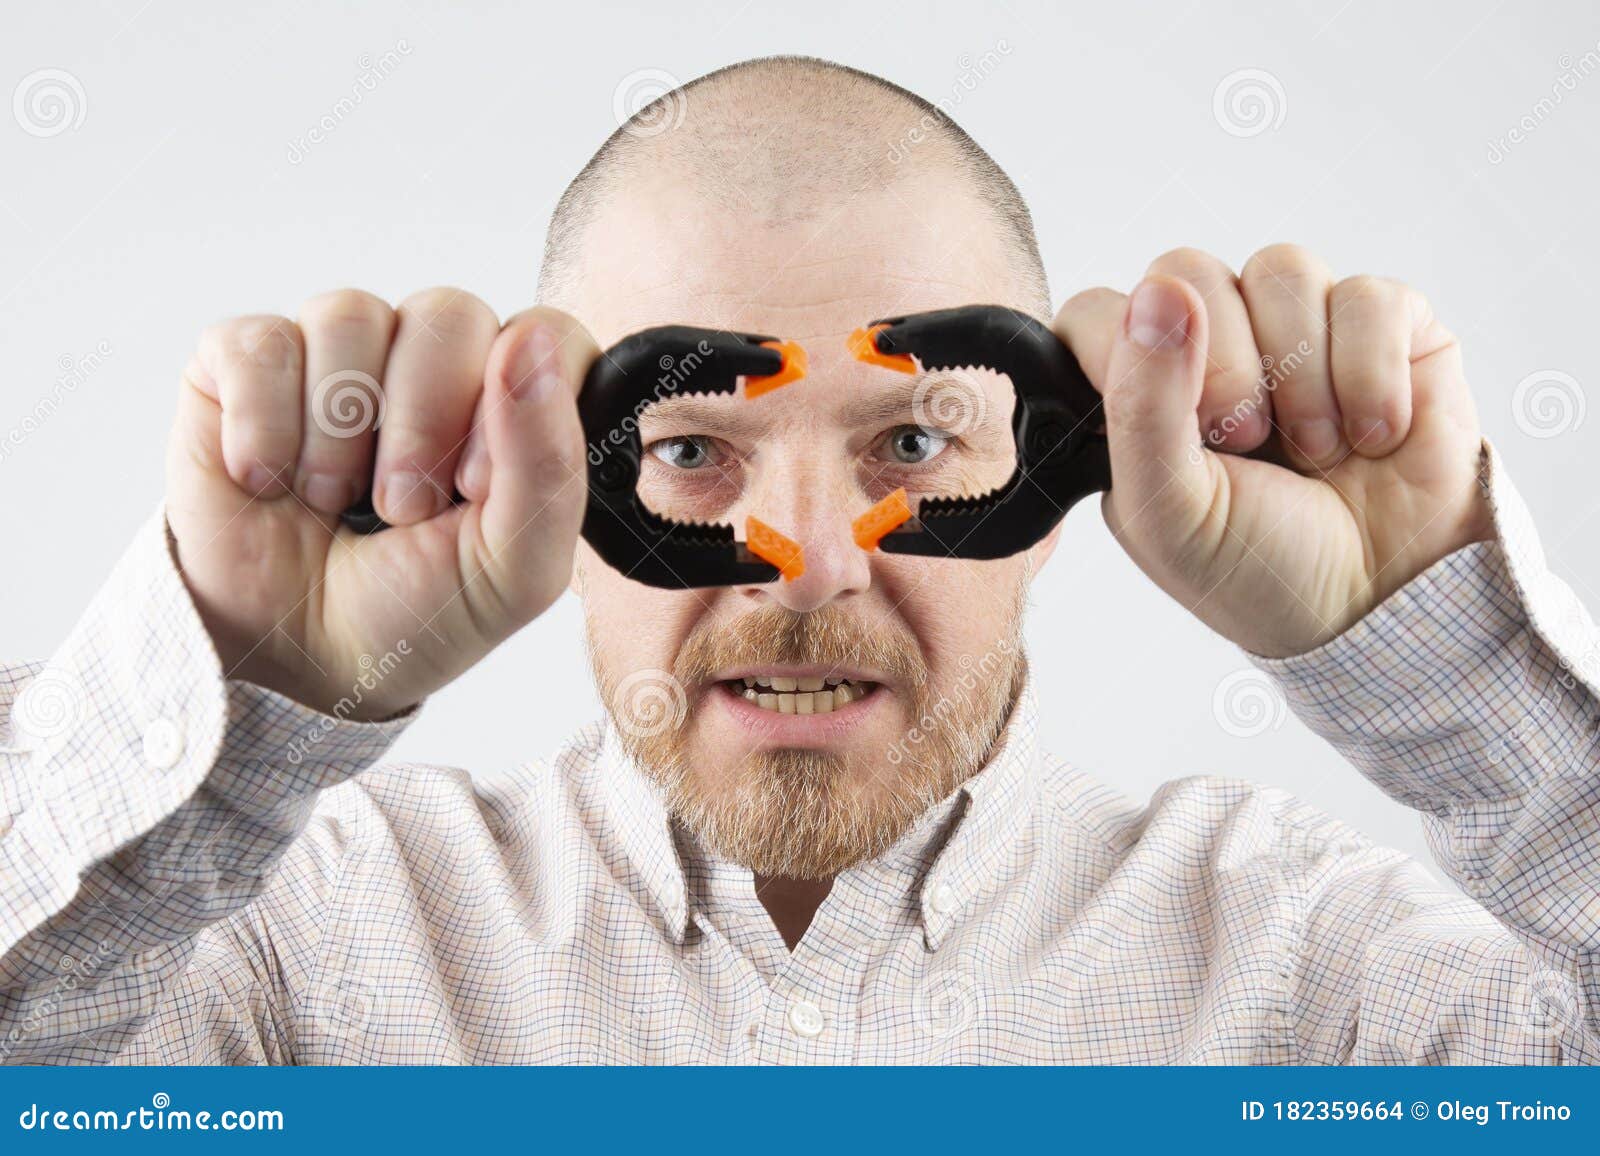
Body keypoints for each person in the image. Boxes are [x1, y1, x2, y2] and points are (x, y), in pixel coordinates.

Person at [2, 56, 1595, 1065]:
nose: (812, 568)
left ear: (1064, 471)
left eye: (911, 443)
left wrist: (1448, 667)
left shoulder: (1324, 978)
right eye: (694, 451)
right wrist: (240, 689)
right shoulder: (296, 956)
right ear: (538, 478)